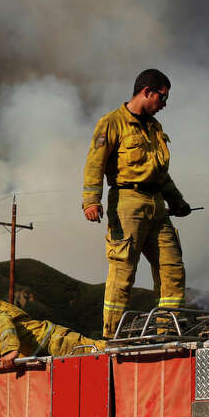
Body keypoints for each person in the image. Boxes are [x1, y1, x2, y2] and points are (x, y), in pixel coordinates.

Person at [82, 68, 194, 338]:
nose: (164, 104)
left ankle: (169, 330)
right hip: (126, 202)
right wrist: (90, 200)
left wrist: (177, 202)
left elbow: (161, 173)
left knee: (172, 268)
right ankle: (113, 336)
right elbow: (94, 164)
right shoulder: (111, 123)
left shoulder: (155, 128)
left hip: (156, 203)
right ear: (147, 91)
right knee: (123, 271)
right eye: (162, 98)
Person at [0, 289, 105, 369]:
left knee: (115, 354)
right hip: (51, 345)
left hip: (54, 342)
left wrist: (10, 350)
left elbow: (1, 321)